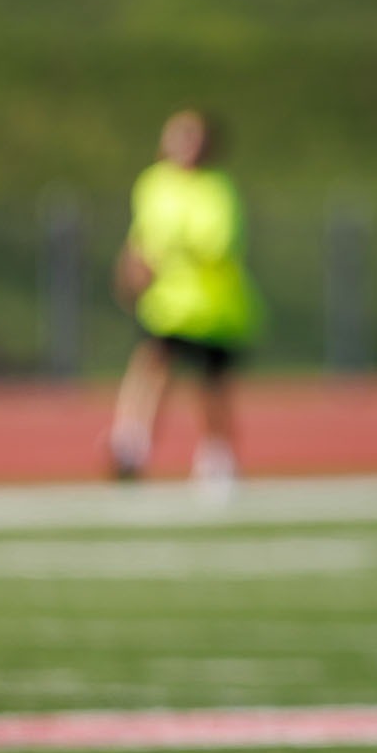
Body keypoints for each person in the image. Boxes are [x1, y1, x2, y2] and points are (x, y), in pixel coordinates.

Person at [107, 109, 262, 501]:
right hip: (167, 305)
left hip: (213, 308)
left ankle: (217, 458)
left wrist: (168, 252)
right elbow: (141, 235)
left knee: (212, 388)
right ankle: (131, 443)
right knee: (151, 365)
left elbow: (218, 243)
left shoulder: (219, 188)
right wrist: (131, 265)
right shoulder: (153, 183)